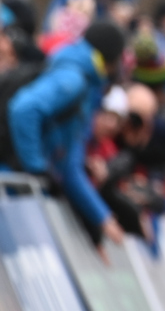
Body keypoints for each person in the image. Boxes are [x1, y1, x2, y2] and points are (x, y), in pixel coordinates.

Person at [3, 19, 128, 247]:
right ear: (110, 59)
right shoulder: (74, 79)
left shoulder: (83, 80)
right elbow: (24, 109)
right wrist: (36, 168)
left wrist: (102, 217)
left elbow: (70, 166)